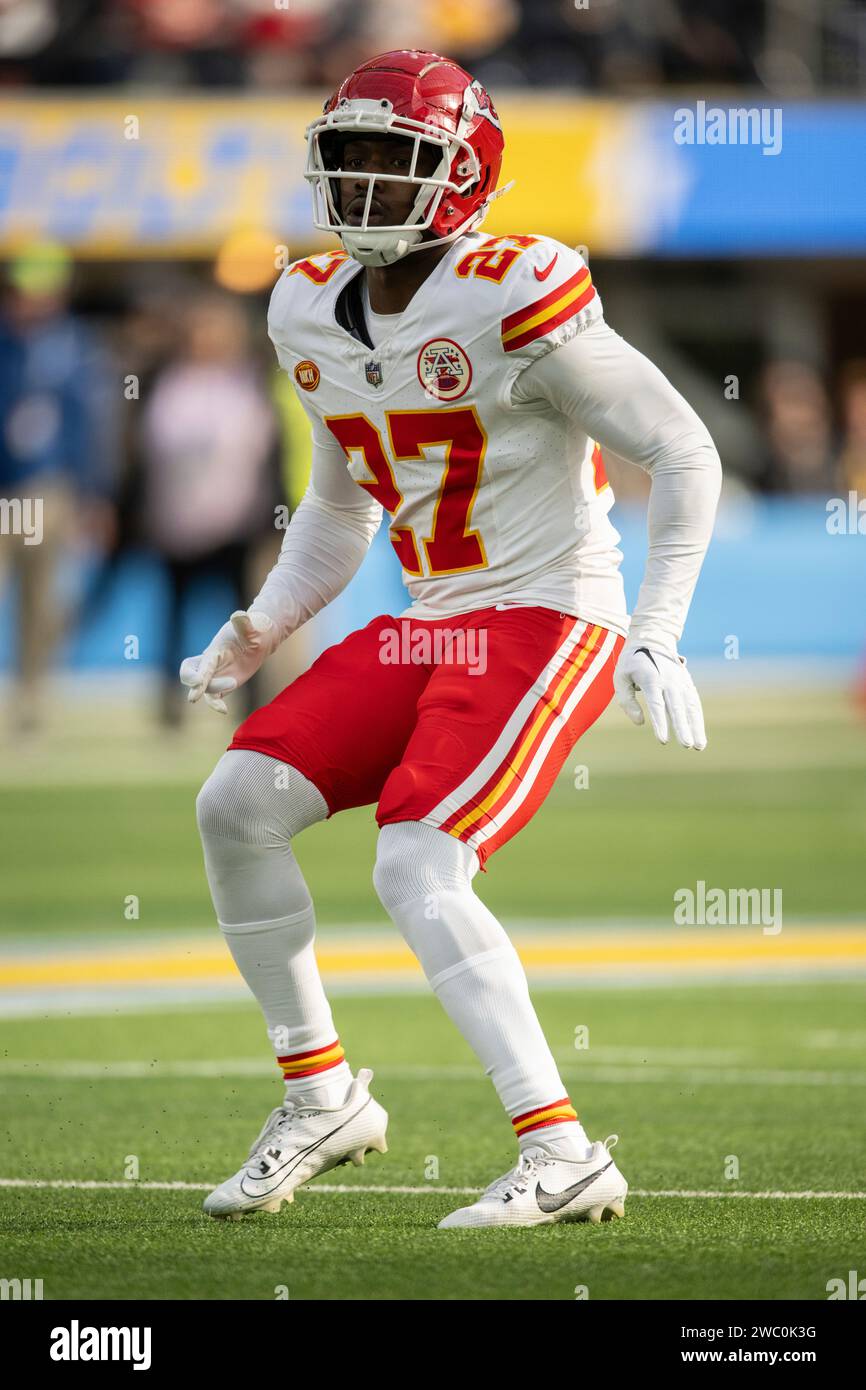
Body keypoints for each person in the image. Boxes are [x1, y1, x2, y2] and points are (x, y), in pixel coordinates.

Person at [181, 49, 721, 1228]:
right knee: (235, 804)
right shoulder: (303, 302)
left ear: (461, 173)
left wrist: (658, 631)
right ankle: (320, 1094)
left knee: (415, 861)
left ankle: (561, 1149)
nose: (364, 182)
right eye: (349, 157)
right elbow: (338, 508)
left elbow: (682, 448)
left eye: (394, 158)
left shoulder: (514, 287)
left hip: (548, 610)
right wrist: (265, 620)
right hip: (431, 620)